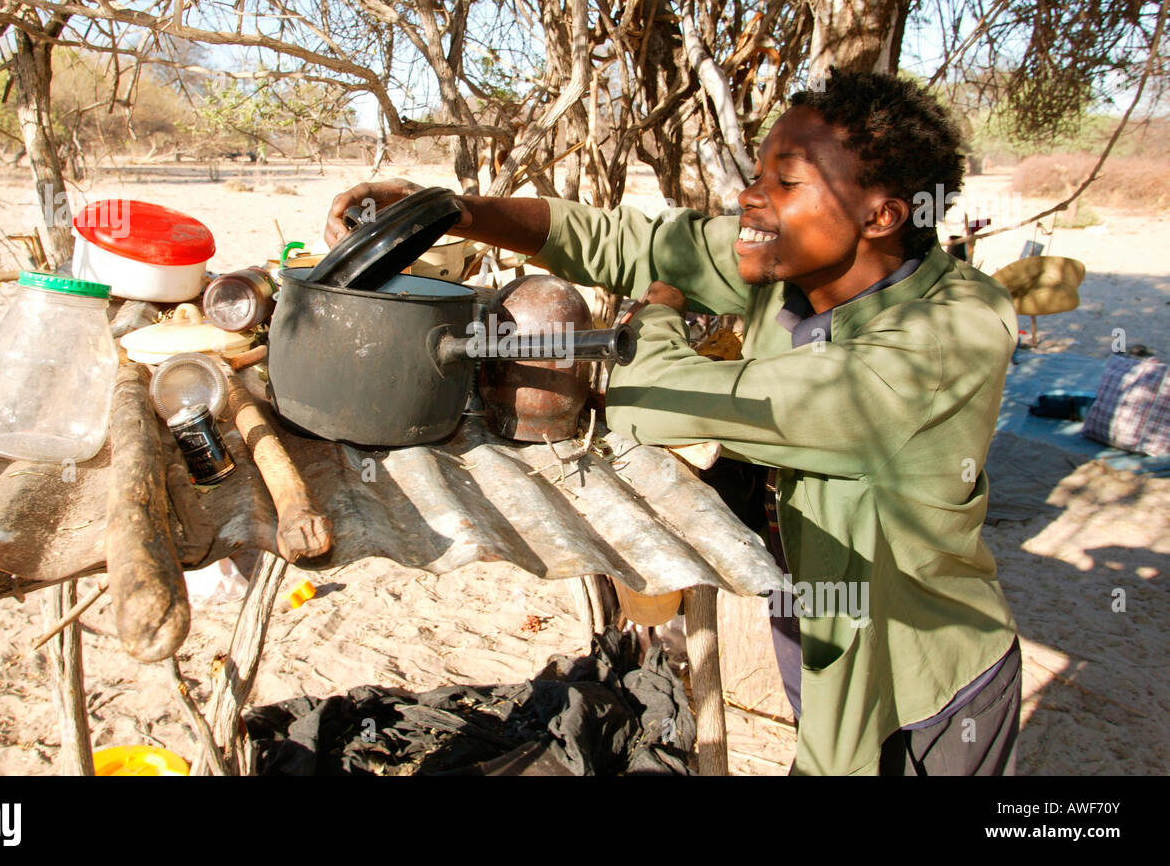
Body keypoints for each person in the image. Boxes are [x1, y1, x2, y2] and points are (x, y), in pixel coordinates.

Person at [326, 70, 1022, 776]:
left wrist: (653, 313)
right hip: (820, 629)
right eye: (756, 175)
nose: (749, 199)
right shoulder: (803, 269)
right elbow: (630, 240)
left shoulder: (941, 343)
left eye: (785, 182)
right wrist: (450, 210)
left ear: (881, 216)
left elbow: (664, 395)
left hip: (925, 684)